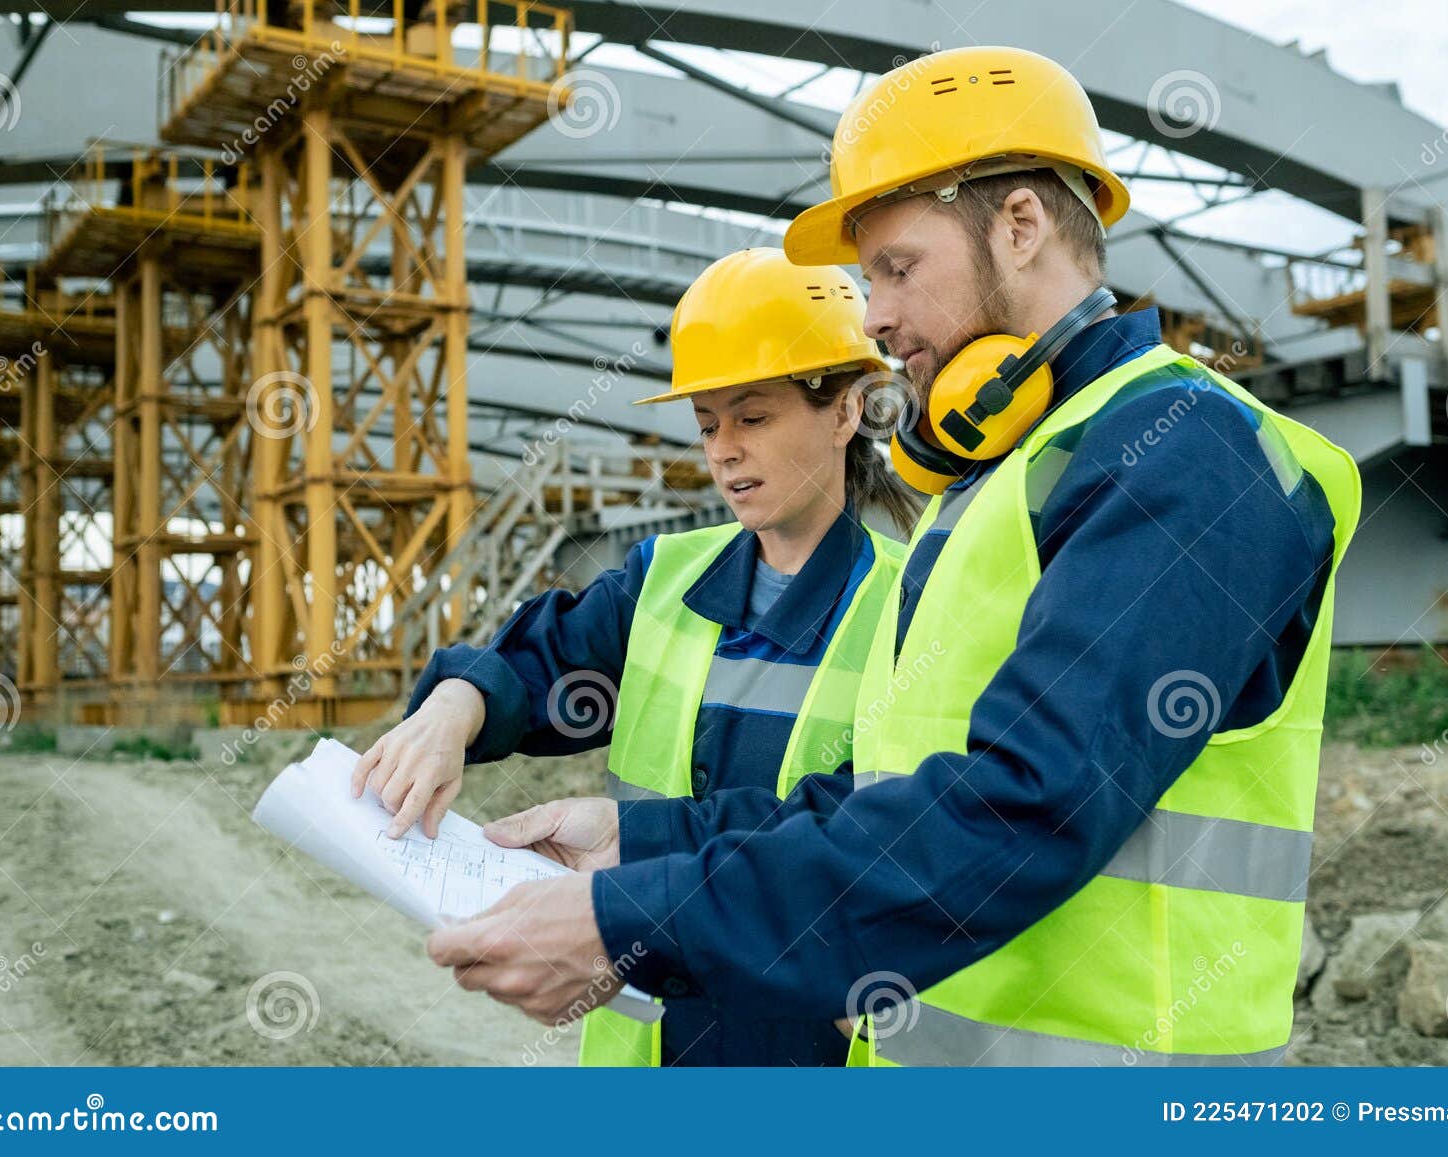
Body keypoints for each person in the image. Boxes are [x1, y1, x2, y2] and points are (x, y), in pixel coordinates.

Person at [423, 45, 1363, 1068]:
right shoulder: (1006, 480)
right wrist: (642, 846)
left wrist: (635, 917)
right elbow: (899, 789)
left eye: (896, 268)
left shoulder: (1188, 452)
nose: (872, 316)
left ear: (1019, 224)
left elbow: (1020, 805)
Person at [356, 247, 918, 1066]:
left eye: (752, 417)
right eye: (706, 423)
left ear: (846, 412)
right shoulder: (662, 580)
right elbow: (536, 663)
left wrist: (638, 844)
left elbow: (878, 831)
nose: (722, 449)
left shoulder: (911, 609)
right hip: (650, 1039)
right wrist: (454, 707)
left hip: (806, 1042)